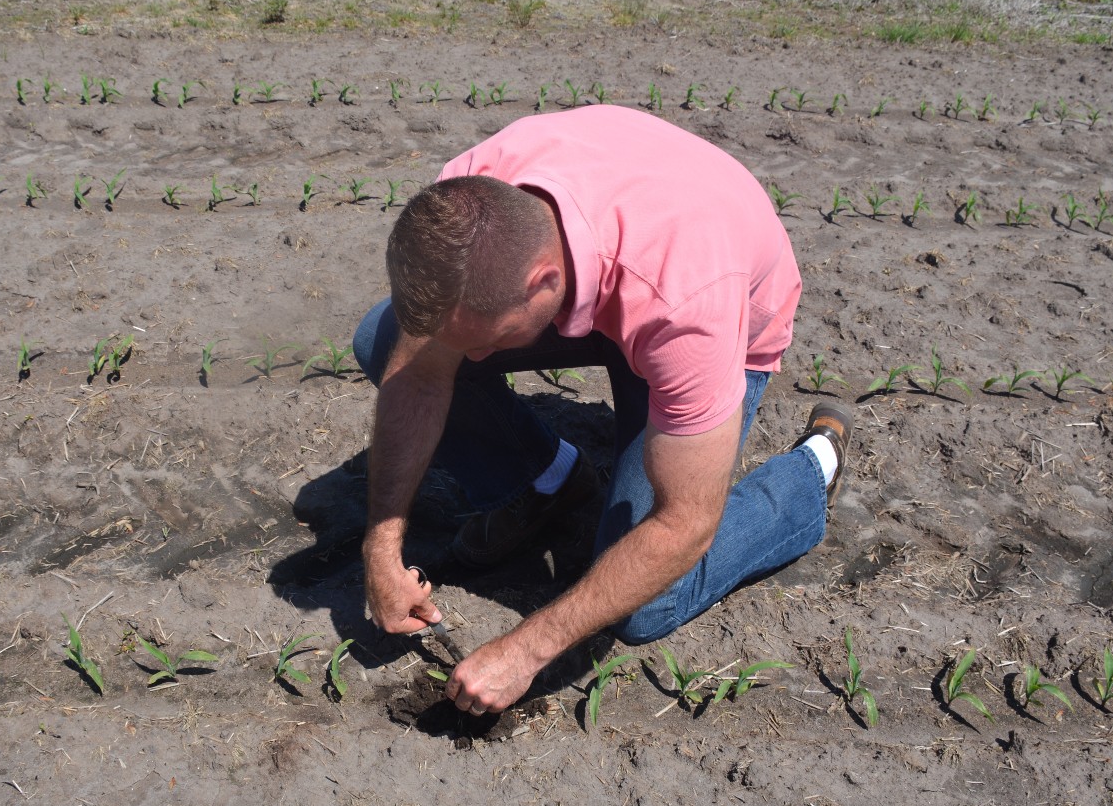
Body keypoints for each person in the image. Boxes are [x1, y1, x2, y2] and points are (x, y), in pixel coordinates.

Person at [352, 105, 853, 717]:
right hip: (610, 269)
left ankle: (810, 472)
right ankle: (548, 481)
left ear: (541, 283)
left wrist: (526, 648)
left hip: (716, 310)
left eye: (484, 338)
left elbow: (683, 525)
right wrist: (381, 548)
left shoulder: (685, 304)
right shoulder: (466, 202)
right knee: (388, 343)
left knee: (645, 605)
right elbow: (422, 375)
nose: (473, 360)